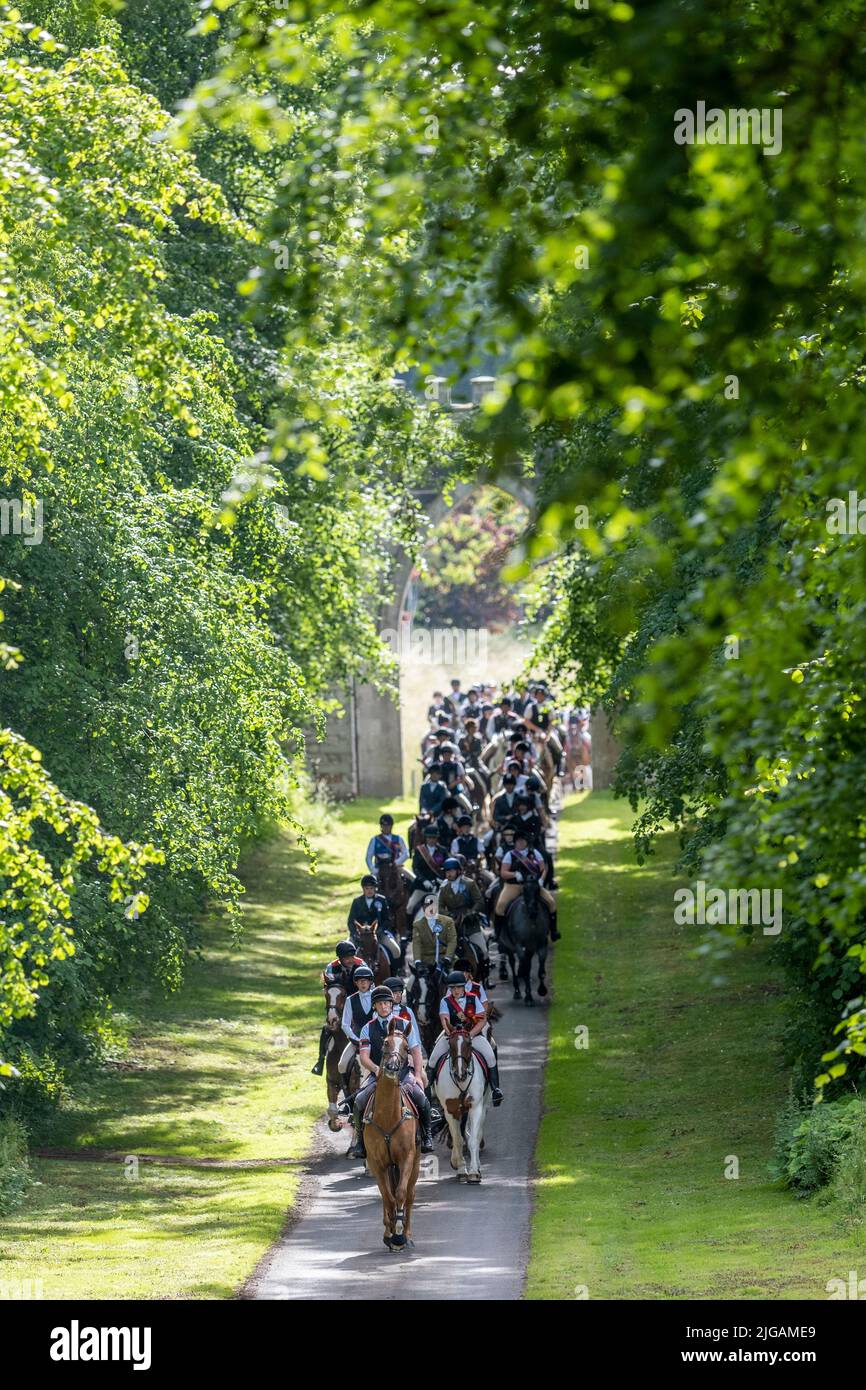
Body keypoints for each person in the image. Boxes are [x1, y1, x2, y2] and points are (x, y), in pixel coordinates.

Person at [348, 986, 433, 1157]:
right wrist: (376, 1068)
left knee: (421, 1098)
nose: (384, 1007)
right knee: (358, 1101)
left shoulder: (405, 1024)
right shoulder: (367, 1028)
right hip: (378, 1076)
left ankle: (427, 1136)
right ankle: (360, 1142)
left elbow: (416, 1052)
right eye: (380, 1004)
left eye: (386, 1003)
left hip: (402, 1074)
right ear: (375, 1006)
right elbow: (364, 1056)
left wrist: (417, 1075)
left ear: (391, 1004)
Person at [427, 971, 503, 1105]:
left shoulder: (473, 998)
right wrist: (451, 1034)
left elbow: (482, 1020)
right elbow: (445, 1021)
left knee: (490, 1056)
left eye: (458, 987)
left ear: (464, 987)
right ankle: (429, 1095)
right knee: (432, 1060)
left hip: (472, 1035)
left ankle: (495, 1090)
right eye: (453, 988)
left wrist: (470, 1034)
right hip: (452, 1036)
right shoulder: (445, 1001)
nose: (455, 991)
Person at [496, 829, 560, 940]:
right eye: (518, 841)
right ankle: (500, 935)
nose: (521, 843)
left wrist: (541, 880)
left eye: (523, 841)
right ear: (515, 842)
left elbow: (543, 869)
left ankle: (553, 931)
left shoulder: (535, 853)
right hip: (514, 886)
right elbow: (503, 873)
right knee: (500, 906)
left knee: (551, 902)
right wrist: (515, 874)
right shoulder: (509, 855)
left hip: (533, 886)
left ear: (526, 842)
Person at [311, 940, 364, 1074]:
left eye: (352, 956)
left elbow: (368, 986)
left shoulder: (361, 964)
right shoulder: (331, 967)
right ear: (340, 959)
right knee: (327, 1028)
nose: (351, 960)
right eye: (347, 958)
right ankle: (320, 1060)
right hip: (338, 1004)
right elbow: (328, 987)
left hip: (359, 1001)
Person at [337, 963, 375, 1095]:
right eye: (359, 981)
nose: (363, 983)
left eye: (365, 980)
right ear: (356, 983)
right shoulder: (350, 1000)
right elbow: (345, 1024)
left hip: (375, 1039)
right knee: (342, 1065)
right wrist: (356, 1039)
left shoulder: (377, 997)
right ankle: (347, 1096)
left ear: (370, 982)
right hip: (357, 1039)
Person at [346, 875, 401, 962]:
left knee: (396, 950)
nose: (369, 891)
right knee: (345, 950)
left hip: (378, 933)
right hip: (360, 934)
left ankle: (393, 973)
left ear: (375, 888)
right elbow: (350, 921)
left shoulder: (381, 900)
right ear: (363, 889)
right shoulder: (357, 902)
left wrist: (379, 931)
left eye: (372, 888)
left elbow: (387, 920)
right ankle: (347, 974)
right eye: (367, 888)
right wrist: (355, 934)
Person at [407, 824, 447, 917]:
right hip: (422, 887)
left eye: (434, 838)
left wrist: (441, 879)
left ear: (437, 838)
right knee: (410, 907)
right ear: (426, 838)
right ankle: (409, 930)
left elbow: (447, 867)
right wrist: (424, 880)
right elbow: (415, 868)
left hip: (439, 887)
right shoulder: (419, 850)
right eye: (430, 838)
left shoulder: (443, 851)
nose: (432, 840)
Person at [412, 894, 458, 966]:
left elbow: (452, 940)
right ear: (423, 907)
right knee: (414, 977)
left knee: (457, 975)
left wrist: (448, 958)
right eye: (427, 905)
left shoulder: (448, 921)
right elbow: (416, 944)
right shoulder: (417, 925)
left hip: (445, 960)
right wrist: (417, 961)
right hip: (425, 962)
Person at [365, 813, 409, 878]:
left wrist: (396, 863)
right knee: (369, 883)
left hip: (396, 868)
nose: (385, 828)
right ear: (381, 826)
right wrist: (373, 870)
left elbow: (406, 854)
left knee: (412, 879)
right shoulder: (374, 840)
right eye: (383, 825)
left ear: (391, 826)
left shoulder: (399, 839)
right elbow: (368, 857)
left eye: (388, 825)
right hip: (379, 868)